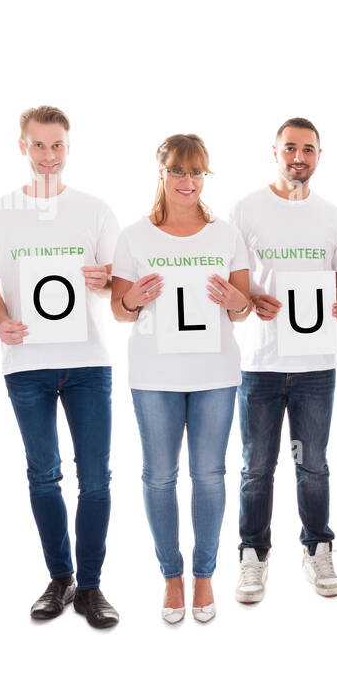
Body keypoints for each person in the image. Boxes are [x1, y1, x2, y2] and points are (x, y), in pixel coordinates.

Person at [0, 106, 122, 628]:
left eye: (57, 146)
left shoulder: (95, 209)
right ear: (22, 147)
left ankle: (93, 587)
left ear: (68, 148)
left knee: (96, 478)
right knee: (43, 475)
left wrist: (103, 281)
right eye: (39, 145)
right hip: (26, 365)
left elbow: (115, 282)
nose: (48, 155)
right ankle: (60, 579)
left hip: (87, 362)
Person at [112, 134, 252, 624]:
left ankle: (205, 575)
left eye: (196, 173)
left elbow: (243, 307)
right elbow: (119, 310)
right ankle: (171, 577)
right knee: (159, 475)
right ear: (162, 174)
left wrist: (240, 305)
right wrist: (132, 300)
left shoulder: (226, 233)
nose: (187, 182)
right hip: (154, 374)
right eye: (177, 171)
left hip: (215, 371)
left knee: (210, 475)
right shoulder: (134, 236)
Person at [232, 118, 337, 602]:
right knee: (256, 467)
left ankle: (318, 547)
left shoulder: (333, 217)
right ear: (275, 152)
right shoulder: (245, 211)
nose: (298, 156)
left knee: (314, 465)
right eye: (289, 148)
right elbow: (231, 284)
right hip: (260, 362)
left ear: (320, 155)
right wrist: (249, 296)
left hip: (315, 364)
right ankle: (252, 554)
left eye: (307, 148)